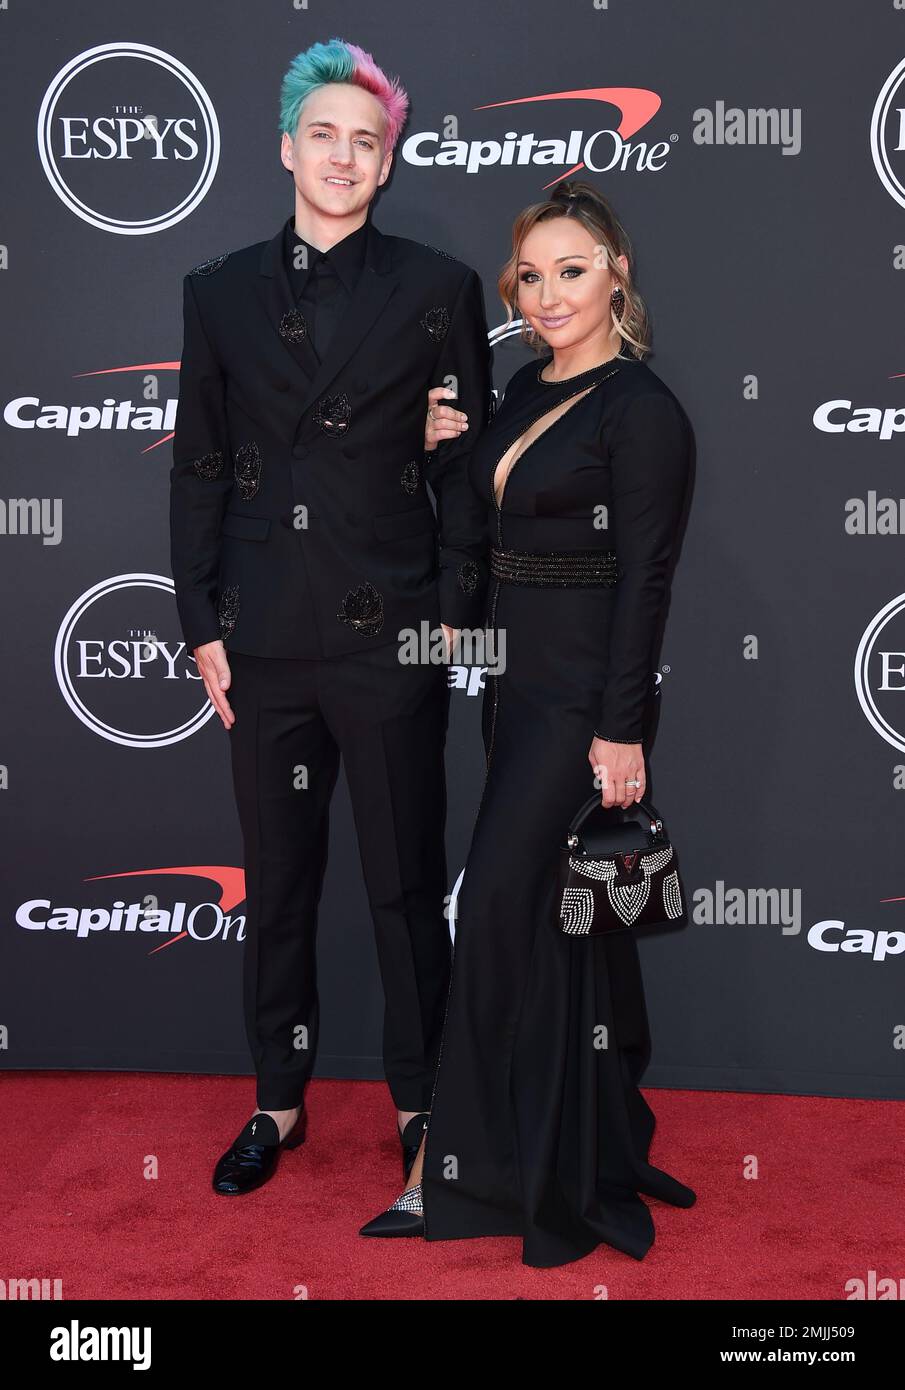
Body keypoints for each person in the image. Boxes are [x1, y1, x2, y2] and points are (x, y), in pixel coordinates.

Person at [169, 38, 492, 1195]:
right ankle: (276, 1101)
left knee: (406, 884)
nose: (344, 155)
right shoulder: (215, 293)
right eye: (324, 134)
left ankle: (422, 1106)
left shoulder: (439, 290)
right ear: (285, 150)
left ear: (386, 161)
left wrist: (456, 606)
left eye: (366, 139)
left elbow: (465, 466)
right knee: (279, 881)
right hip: (261, 637)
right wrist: (198, 621)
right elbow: (200, 467)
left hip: (390, 629)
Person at [360, 180, 696, 1266]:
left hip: (579, 703)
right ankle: (574, 1141)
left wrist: (620, 729)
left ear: (617, 276)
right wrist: (436, 441)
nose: (548, 294)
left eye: (572, 270)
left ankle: (462, 1167)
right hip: (513, 688)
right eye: (533, 275)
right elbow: (480, 515)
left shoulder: (641, 412)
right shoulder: (517, 386)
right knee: (558, 927)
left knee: (503, 909)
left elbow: (644, 581)